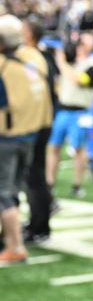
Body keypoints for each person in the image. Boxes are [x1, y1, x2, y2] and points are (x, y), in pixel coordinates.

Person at [0, 14, 52, 264]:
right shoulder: (34, 57)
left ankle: (15, 245)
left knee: (4, 193)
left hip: (7, 136)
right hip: (31, 134)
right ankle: (14, 235)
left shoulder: (4, 66)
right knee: (15, 188)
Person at [46, 31, 93, 197]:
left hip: (79, 113)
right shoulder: (71, 63)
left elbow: (79, 80)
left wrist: (61, 63)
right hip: (62, 110)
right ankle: (50, 182)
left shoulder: (92, 66)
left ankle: (77, 184)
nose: (80, 47)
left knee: (78, 149)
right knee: (54, 147)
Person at [21, 17, 57, 244]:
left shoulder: (35, 58)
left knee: (33, 177)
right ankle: (38, 221)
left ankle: (39, 226)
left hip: (36, 124)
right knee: (33, 176)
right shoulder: (41, 57)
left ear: (30, 35)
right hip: (41, 122)